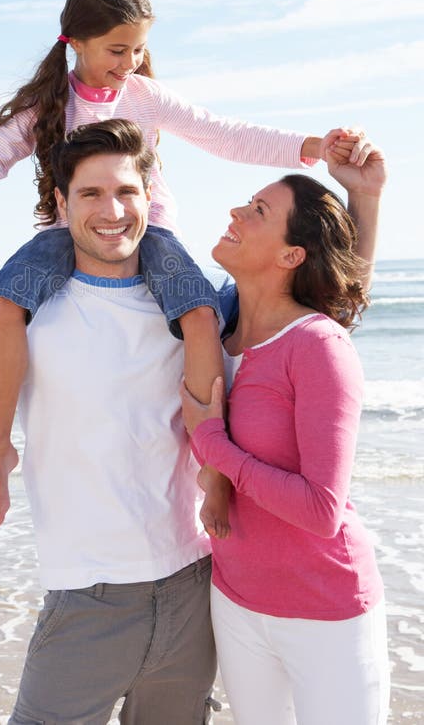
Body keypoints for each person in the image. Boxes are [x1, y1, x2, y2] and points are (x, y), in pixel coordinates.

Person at [0, 121, 383, 725]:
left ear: (150, 197)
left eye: (126, 192)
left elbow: (320, 306)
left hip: (200, 595)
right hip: (88, 602)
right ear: (61, 204)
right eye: (89, 194)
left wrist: (364, 198)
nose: (111, 211)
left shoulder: (203, 306)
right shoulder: (19, 316)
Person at [0, 0, 367, 530]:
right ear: (76, 41)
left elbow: (223, 133)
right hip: (64, 236)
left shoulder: (144, 96)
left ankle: (212, 473)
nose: (130, 62)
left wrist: (312, 144)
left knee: (199, 316)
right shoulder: (50, 104)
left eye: (139, 49)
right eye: (118, 49)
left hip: (152, 234)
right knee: (3, 304)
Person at [181, 144, 389, 724]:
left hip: (327, 608)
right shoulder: (211, 333)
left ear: (292, 254)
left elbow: (321, 509)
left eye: (259, 212)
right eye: (249, 203)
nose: (237, 213)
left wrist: (214, 446)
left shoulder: (318, 345)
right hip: (236, 599)